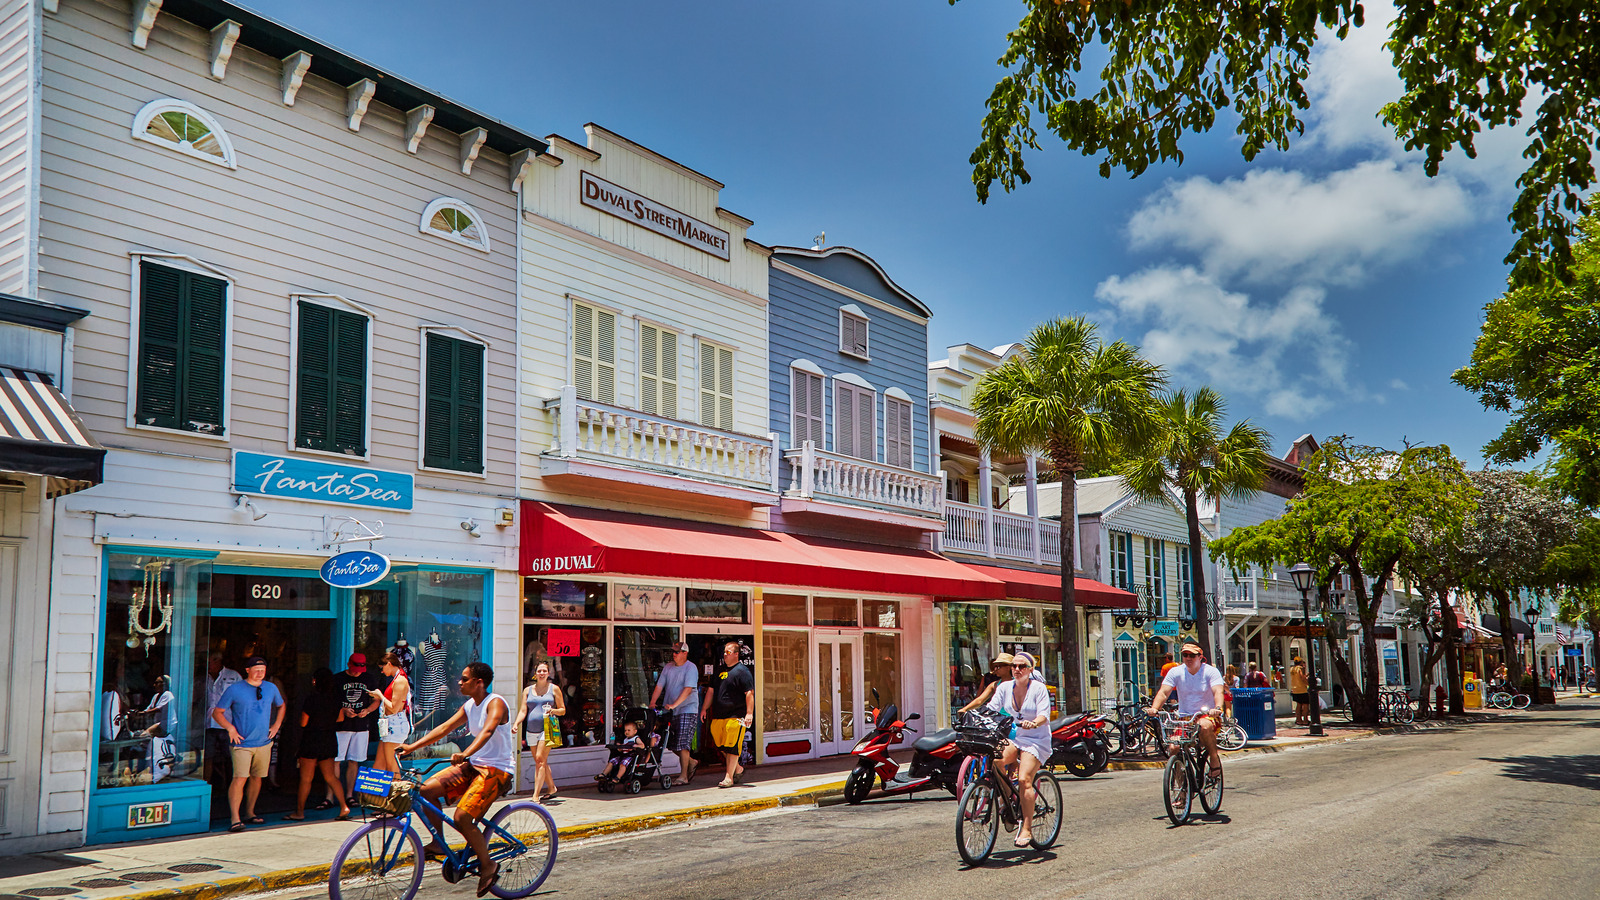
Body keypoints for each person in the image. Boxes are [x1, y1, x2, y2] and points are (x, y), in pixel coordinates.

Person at [399, 662, 513, 898]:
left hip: (496, 770)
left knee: (462, 818)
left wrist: (466, 753)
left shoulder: (497, 703)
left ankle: (488, 865)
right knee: (425, 791)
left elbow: (488, 731)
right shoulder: (470, 705)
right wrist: (412, 747)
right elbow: (444, 727)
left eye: (464, 679)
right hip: (473, 764)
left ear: (479, 682)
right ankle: (438, 842)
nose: (459, 683)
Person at [984, 651, 1052, 848]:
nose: (1017, 669)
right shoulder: (1004, 687)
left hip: (1036, 739)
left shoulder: (1039, 688)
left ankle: (1027, 828)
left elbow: (1044, 715)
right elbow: (991, 710)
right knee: (996, 759)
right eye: (1014, 666)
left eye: (1022, 666)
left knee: (1024, 779)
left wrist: (1034, 723)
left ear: (1030, 669)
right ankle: (1006, 801)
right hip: (1015, 736)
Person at [212, 656, 285, 832]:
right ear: (247, 670)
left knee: (257, 777)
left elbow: (281, 706)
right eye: (257, 670)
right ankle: (235, 818)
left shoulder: (271, 687)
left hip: (264, 742)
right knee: (239, 778)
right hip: (242, 743)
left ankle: (250, 812)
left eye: (263, 670)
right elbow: (217, 712)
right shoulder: (235, 689)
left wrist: (276, 725)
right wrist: (230, 729)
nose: (260, 673)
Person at [1147, 643, 1226, 780]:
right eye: (1185, 655)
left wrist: (1218, 707)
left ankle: (1214, 759)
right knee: (1173, 747)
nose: (1188, 658)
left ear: (1200, 657)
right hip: (1185, 719)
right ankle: (1181, 790)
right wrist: (1155, 708)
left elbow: (1218, 691)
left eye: (1192, 655)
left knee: (1204, 726)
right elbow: (1164, 692)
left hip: (1208, 715)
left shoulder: (1210, 672)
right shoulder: (1176, 672)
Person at [289, 667, 349, 821]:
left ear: (315, 681)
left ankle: (299, 812)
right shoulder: (335, 699)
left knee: (306, 779)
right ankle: (344, 806)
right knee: (331, 777)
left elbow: (304, 722)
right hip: (329, 739)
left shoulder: (311, 698)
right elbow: (340, 719)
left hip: (311, 740)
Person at [701, 640, 753, 788]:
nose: (725, 655)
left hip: (736, 715)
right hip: (718, 715)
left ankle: (728, 777)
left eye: (728, 652)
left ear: (736, 654)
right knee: (720, 743)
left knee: (732, 746)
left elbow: (749, 693)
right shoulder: (718, 670)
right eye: (724, 652)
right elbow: (710, 691)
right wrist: (704, 708)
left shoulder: (742, 671)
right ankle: (738, 768)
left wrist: (749, 713)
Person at [513, 662, 566, 800]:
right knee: (540, 761)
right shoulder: (527, 690)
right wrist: (516, 723)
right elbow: (523, 710)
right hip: (531, 730)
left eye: (544, 671)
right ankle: (551, 787)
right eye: (539, 671)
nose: (542, 673)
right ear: (535, 673)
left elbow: (563, 710)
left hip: (547, 728)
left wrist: (552, 710)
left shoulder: (554, 689)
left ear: (549, 674)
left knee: (539, 760)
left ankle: (535, 795)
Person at [648, 642, 698, 786]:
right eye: (673, 652)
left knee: (682, 744)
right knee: (669, 743)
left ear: (685, 653)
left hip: (687, 709)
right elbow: (659, 686)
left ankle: (683, 776)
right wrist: (652, 702)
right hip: (670, 710)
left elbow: (688, 689)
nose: (674, 654)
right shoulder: (668, 667)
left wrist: (675, 705)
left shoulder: (691, 668)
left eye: (677, 652)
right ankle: (691, 762)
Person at [335, 653, 380, 804]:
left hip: (361, 726)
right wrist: (342, 709)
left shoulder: (368, 679)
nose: (356, 672)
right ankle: (332, 796)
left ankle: (349, 795)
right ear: (348, 664)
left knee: (354, 761)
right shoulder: (338, 679)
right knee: (336, 760)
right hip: (341, 726)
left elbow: (376, 700)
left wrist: (367, 710)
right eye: (354, 668)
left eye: (359, 669)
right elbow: (330, 701)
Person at [368, 651, 412, 773]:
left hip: (395, 725)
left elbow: (394, 708)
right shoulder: (396, 679)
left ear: (389, 664)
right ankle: (373, 792)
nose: (382, 672)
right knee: (379, 764)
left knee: (391, 766)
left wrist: (380, 696)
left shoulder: (400, 681)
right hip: (388, 725)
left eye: (382, 668)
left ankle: (398, 791)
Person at [204, 654, 242, 782]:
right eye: (207, 662)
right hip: (209, 724)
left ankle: (231, 786)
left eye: (212, 661)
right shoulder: (204, 678)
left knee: (230, 757)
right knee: (208, 756)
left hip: (228, 723)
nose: (209, 665)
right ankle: (207, 786)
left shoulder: (233, 675)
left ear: (219, 661)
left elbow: (241, 699)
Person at [1289, 657, 1311, 726]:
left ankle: (1298, 720)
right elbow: (1302, 677)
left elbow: (1297, 678)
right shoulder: (1300, 668)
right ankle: (1305, 720)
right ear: (1301, 662)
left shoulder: (1292, 669)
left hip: (1295, 689)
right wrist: (1307, 683)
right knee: (1305, 705)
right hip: (1302, 689)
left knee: (1298, 705)